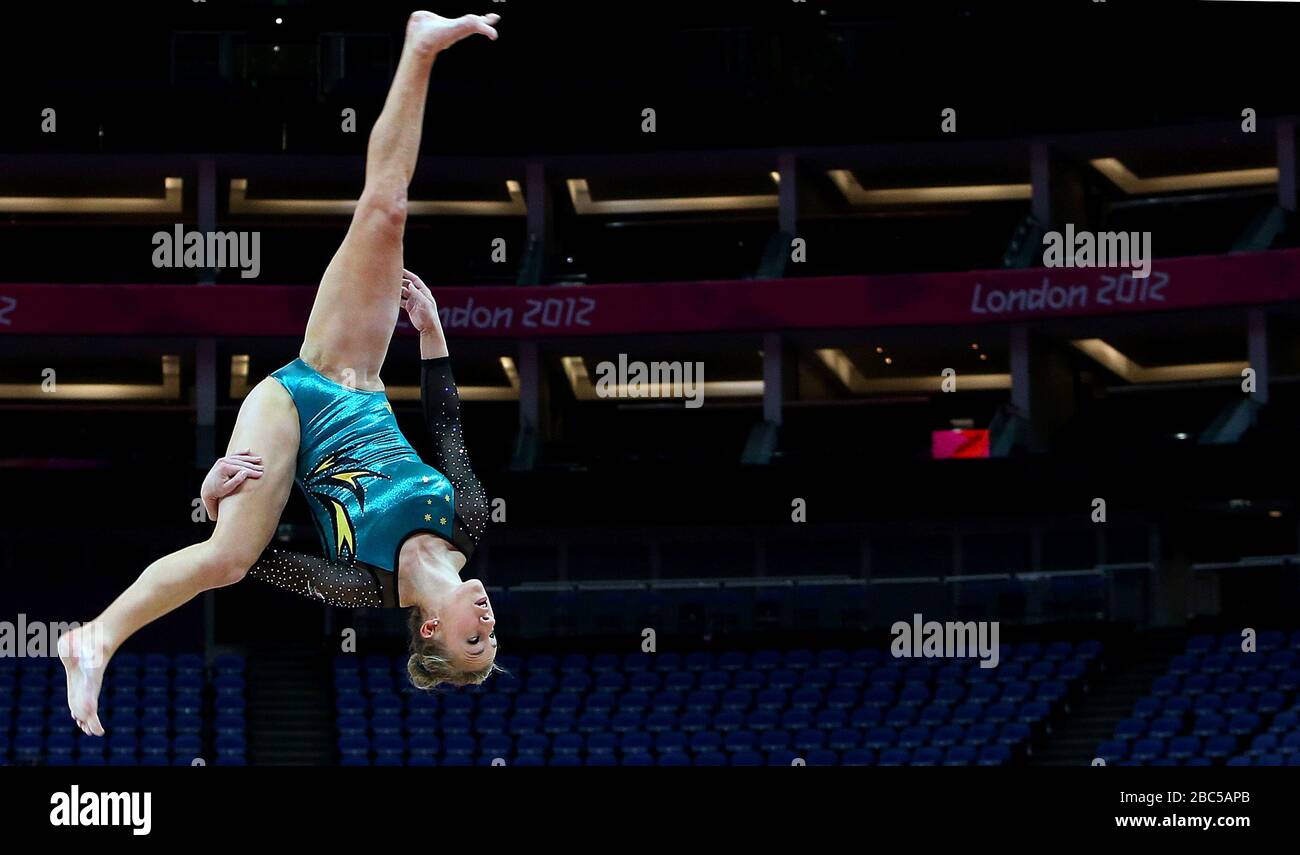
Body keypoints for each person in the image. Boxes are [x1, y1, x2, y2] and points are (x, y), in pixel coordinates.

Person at [60, 11, 502, 737]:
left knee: (227, 557)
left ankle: (96, 637)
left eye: (473, 639)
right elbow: (448, 426)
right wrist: (431, 337)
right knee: (386, 209)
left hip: (294, 401)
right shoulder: (468, 521)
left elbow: (262, 559)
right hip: (356, 370)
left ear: (430, 632)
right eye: (492, 635)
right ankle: (421, 45)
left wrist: (212, 498)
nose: (487, 621)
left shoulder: (365, 587)